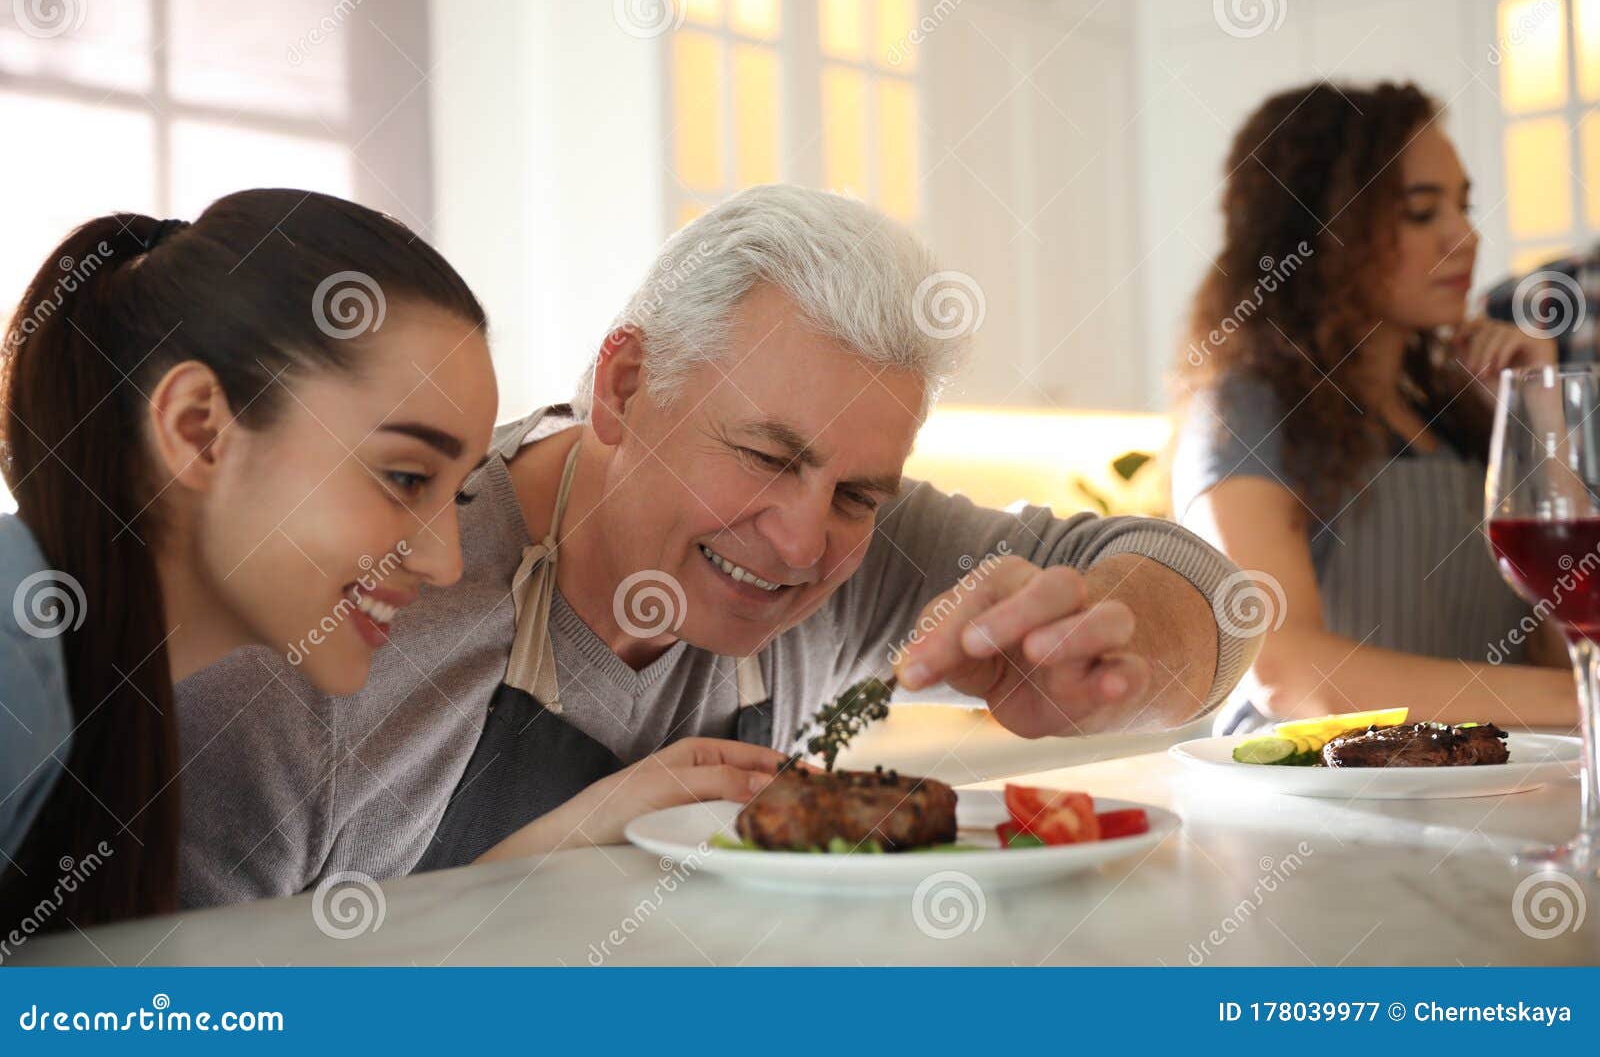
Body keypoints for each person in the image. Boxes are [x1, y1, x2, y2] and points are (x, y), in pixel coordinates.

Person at [179, 184, 1257, 905]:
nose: (801, 539)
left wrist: (1118, 650)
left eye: (857, 492)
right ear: (623, 384)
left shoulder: (859, 552)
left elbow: (1211, 591)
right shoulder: (345, 616)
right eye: (764, 456)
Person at [0, 189, 778, 933]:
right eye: (404, 476)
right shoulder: (16, 674)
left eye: (459, 494)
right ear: (200, 427)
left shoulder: (102, 698)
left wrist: (552, 847)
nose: (443, 561)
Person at [1171, 80, 1577, 734]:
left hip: (1478, 793)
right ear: (1323, 228)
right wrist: (1579, 704)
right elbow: (1285, 668)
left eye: (1462, 206)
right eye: (1421, 212)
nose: (1464, 235)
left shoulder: (1465, 414)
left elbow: (1567, 644)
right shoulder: (1244, 411)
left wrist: (1538, 415)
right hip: (1315, 811)